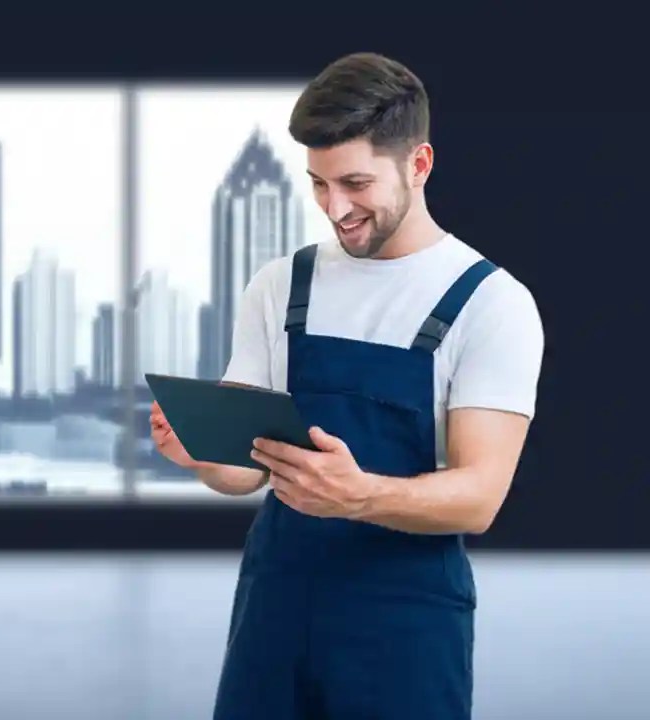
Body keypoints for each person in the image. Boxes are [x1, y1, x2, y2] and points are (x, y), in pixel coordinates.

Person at [150, 52, 544, 719]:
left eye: (356, 183)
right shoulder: (281, 285)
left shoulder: (491, 304)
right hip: (274, 608)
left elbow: (480, 497)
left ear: (419, 164)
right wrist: (202, 454)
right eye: (319, 184)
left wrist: (359, 496)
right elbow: (246, 473)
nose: (336, 208)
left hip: (407, 623)